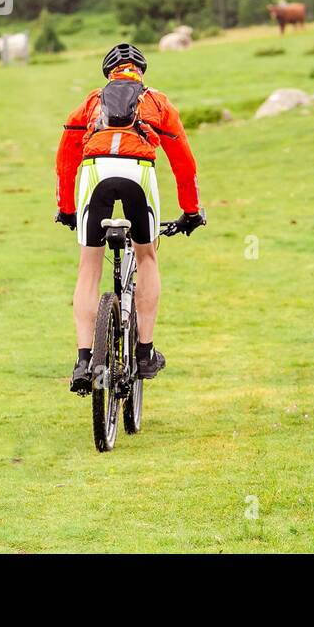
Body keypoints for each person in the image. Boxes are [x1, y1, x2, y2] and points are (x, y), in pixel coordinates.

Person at [54, 43, 205, 393]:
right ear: (140, 72)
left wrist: (67, 209)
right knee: (147, 255)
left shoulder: (90, 103)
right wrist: (191, 212)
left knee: (88, 267)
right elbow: (184, 163)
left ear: (108, 74)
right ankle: (145, 352)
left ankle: (83, 360)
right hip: (139, 172)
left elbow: (65, 160)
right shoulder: (157, 102)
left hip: (95, 173)